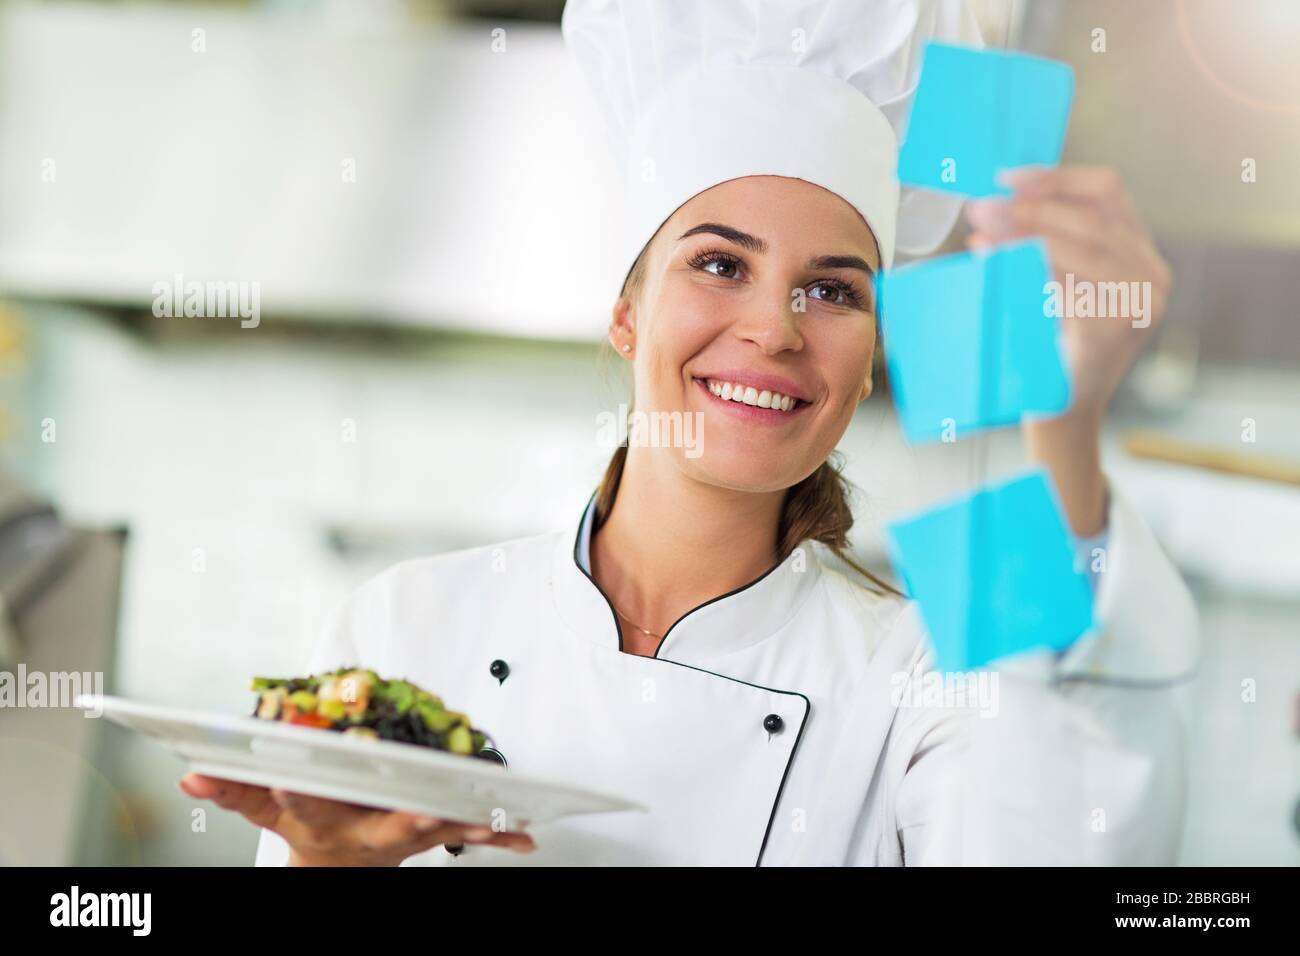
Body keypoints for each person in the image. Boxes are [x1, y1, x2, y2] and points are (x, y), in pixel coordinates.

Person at [181, 0, 1197, 866]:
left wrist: (1065, 430)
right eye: (719, 264)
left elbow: (1060, 817)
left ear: (872, 350)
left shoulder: (920, 669)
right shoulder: (406, 623)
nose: (773, 327)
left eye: (832, 289)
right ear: (626, 313)